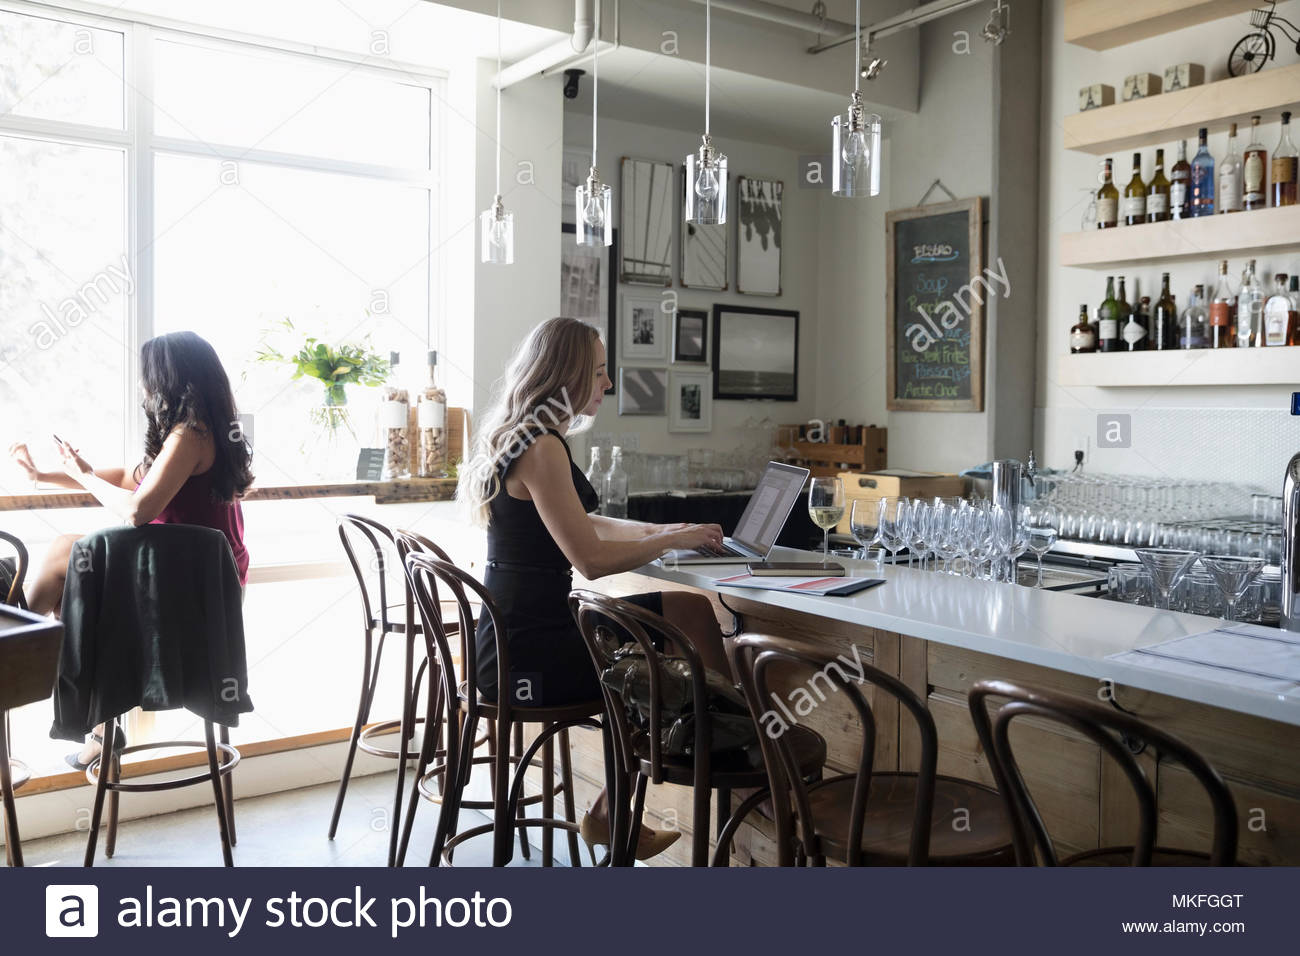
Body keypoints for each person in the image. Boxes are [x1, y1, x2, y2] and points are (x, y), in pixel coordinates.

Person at [460, 316, 731, 860]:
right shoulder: (542, 447)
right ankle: (728, 749)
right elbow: (589, 558)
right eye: (600, 372)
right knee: (654, 655)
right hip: (531, 653)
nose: (608, 384)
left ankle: (631, 797)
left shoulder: (527, 437)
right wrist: (665, 541)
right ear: (567, 376)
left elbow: (585, 525)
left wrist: (664, 531)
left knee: (688, 610)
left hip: (517, 633)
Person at [9, 330, 253, 768]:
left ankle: (17, 643)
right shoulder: (199, 430)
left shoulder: (191, 434)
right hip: (191, 580)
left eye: (148, 378)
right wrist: (51, 474)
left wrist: (82, 478)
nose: (144, 388)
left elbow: (138, 509)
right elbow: (129, 476)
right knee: (79, 571)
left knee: (71, 553)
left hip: (199, 593)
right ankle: (93, 722)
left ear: (169, 379)